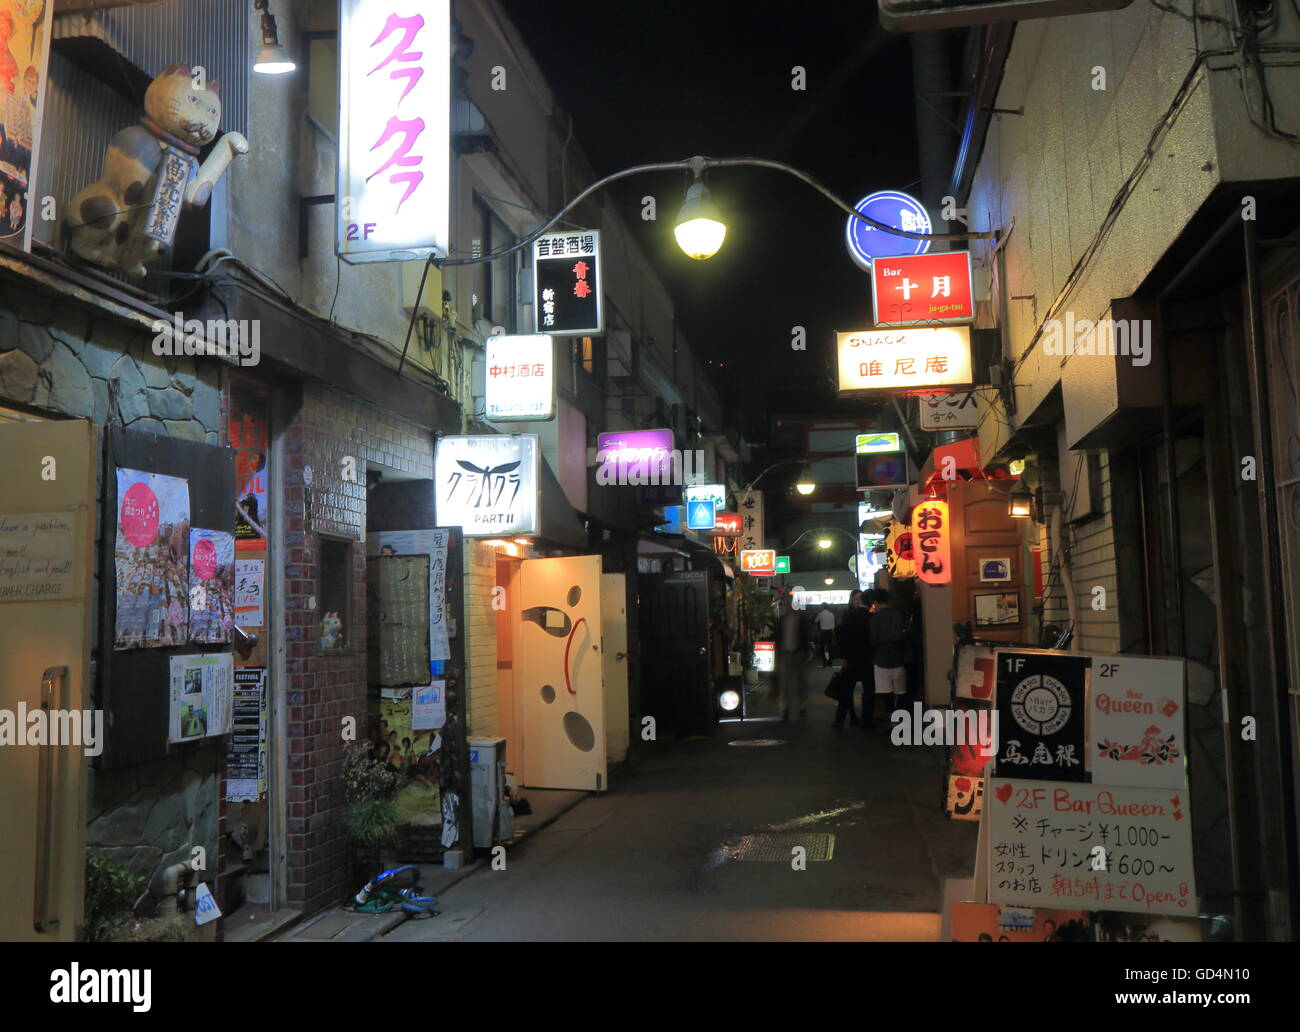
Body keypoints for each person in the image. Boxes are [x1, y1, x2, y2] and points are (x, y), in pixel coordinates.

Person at [869, 588, 910, 720]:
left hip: (881, 659)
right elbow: (901, 636)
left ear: (875, 602)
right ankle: (900, 719)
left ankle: (891, 719)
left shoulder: (875, 617)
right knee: (901, 692)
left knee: (885, 693)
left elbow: (873, 639)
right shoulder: (897, 615)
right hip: (897, 658)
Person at [834, 590, 871, 728]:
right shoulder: (868, 615)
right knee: (861, 690)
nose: (858, 601)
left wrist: (844, 657)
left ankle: (841, 719)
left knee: (847, 689)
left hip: (853, 657)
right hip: (863, 657)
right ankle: (863, 720)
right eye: (856, 598)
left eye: (860, 598)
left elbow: (843, 638)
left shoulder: (848, 615)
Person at [775, 594, 810, 720]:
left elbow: (806, 636)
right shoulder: (781, 620)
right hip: (785, 653)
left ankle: (802, 705)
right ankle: (785, 709)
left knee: (800, 681)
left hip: (797, 653)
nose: (789, 606)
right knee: (785, 683)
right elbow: (777, 637)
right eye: (787, 604)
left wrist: (804, 651)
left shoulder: (801, 619)